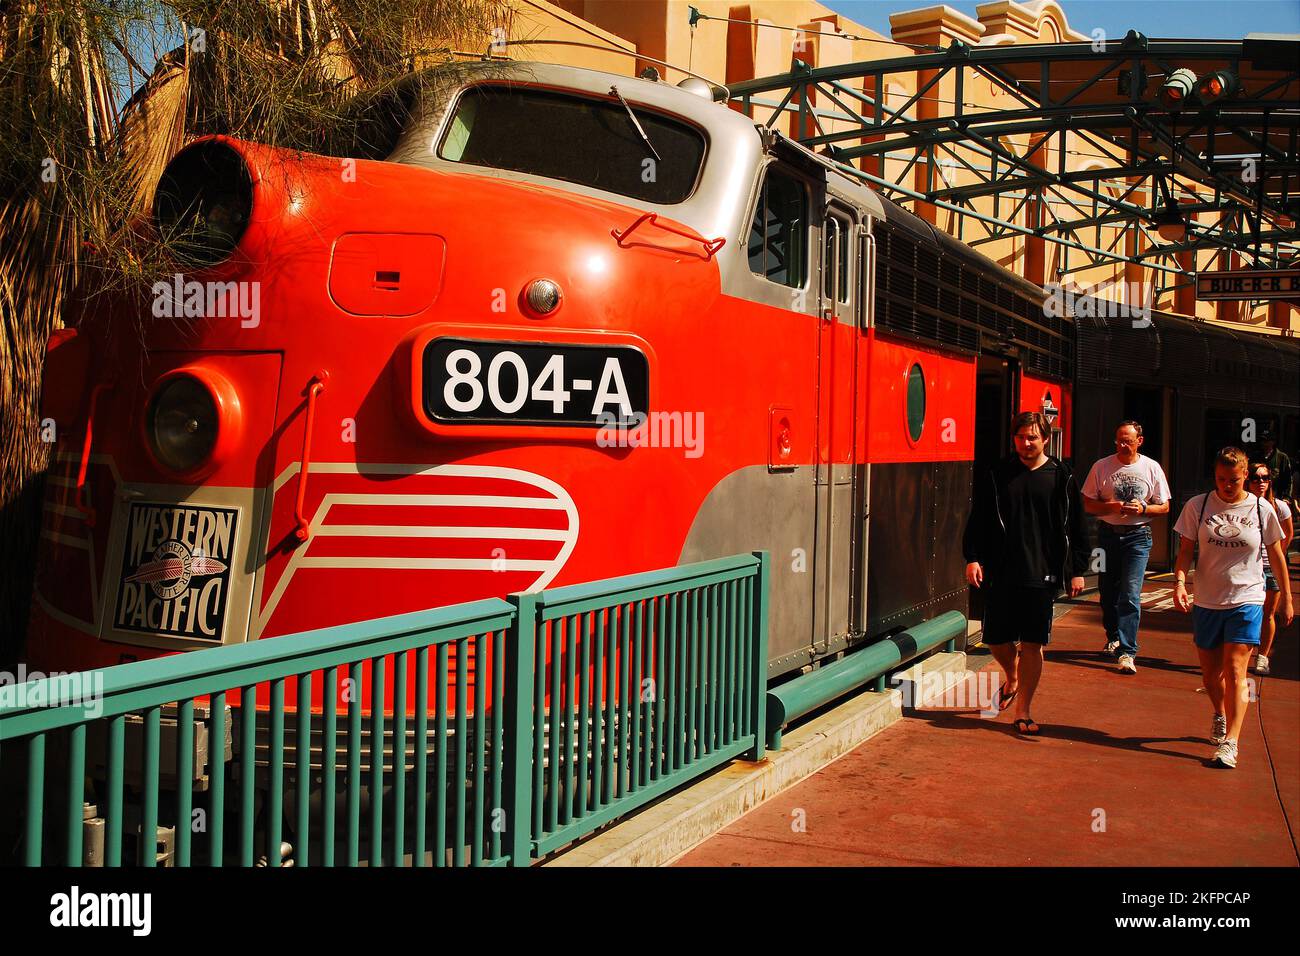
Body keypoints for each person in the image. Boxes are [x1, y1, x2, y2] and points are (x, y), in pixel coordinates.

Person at [962, 411, 1088, 735]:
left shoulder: (1061, 475)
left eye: (1032, 437)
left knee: (1033, 643)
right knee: (995, 640)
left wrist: (1076, 570)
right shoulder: (998, 473)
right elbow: (980, 517)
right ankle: (1012, 674)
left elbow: (1076, 525)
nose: (1026, 443)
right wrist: (972, 557)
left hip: (1042, 571)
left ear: (1045, 438)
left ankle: (1024, 709)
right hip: (1002, 569)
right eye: (1020, 437)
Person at [1173, 447, 1293, 769]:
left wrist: (1288, 597)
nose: (1227, 485)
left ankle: (1232, 743)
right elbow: (1185, 550)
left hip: (1247, 597)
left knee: (1238, 669)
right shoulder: (1197, 506)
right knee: (1212, 676)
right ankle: (1220, 714)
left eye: (1234, 480)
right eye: (1221, 479)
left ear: (1246, 478)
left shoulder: (1260, 508)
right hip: (1208, 599)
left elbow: (1277, 554)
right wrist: (1181, 583)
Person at [1082, 421, 1171, 674]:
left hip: (1138, 537)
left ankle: (1127, 652)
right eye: (1119, 440)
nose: (1123, 444)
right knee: (1107, 592)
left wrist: (1143, 509)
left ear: (1139, 441)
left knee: (1130, 594)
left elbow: (1163, 506)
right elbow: (1088, 504)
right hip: (1107, 536)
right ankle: (1113, 637)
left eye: (1128, 440)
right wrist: (1112, 507)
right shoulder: (1102, 466)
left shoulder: (1151, 467)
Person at [1247, 462, 1294, 675]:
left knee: (1268, 613)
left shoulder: (1279, 506)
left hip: (1270, 567)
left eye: (1265, 478)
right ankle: (1242, 654)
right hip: (1249, 567)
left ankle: (1263, 657)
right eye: (1256, 478)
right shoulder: (1244, 504)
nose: (1261, 482)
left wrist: (1276, 557)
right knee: (1248, 612)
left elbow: (1288, 534)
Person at [1257, 431, 1293, 505]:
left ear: (1273, 442)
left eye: (1267, 441)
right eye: (1263, 441)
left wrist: (1287, 497)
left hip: (1277, 498)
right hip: (1258, 498)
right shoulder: (1255, 456)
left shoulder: (1282, 457)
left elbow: (1288, 480)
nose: (1264, 443)